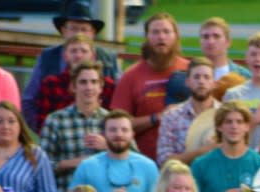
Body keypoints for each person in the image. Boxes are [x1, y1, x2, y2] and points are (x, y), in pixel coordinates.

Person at [21, 1, 120, 133]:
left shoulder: (109, 60)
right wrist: (46, 131)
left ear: (93, 33)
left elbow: (120, 102)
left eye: (84, 29)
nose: (78, 33)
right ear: (64, 30)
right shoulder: (47, 59)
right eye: (73, 28)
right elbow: (29, 101)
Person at [110, 12, 189, 162]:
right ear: (147, 38)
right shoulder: (130, 76)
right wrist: (157, 118)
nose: (161, 37)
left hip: (185, 161)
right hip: (142, 161)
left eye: (166, 32)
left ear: (176, 36)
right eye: (155, 32)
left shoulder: (191, 72)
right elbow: (118, 124)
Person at [69, 110, 159, 192]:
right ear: (104, 134)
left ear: (132, 134)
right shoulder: (87, 166)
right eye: (113, 130)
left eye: (124, 130)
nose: (119, 134)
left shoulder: (148, 166)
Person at [39, 61, 110, 192]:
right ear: (73, 87)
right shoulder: (56, 120)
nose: (89, 87)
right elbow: (41, 166)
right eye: (83, 82)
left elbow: (134, 157)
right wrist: (75, 163)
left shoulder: (112, 120)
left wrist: (109, 146)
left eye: (94, 82)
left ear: (101, 87)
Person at [33, 35, 116, 131]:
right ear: (65, 56)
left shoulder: (108, 85)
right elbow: (42, 121)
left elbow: (115, 119)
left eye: (84, 51)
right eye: (73, 51)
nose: (78, 55)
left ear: (93, 55)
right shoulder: (50, 83)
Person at [156, 57, 219, 165]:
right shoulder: (171, 116)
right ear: (187, 82)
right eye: (196, 77)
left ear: (214, 83)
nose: (201, 82)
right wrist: (202, 151)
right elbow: (163, 160)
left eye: (206, 77)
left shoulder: (225, 115)